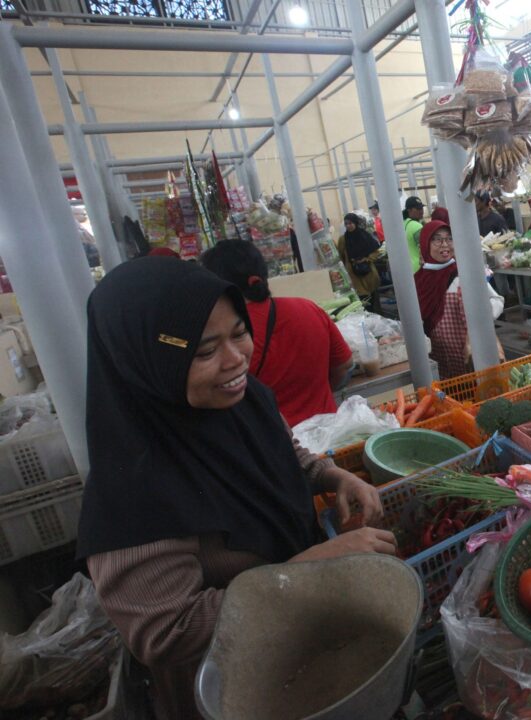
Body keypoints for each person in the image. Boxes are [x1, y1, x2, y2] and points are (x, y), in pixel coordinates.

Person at [77, 258, 396, 720]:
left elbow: (288, 457)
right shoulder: (132, 489)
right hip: (242, 689)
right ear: (147, 360)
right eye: (205, 351)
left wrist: (332, 475)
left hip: (309, 642)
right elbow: (167, 632)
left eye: (239, 333)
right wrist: (303, 572)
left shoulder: (246, 401)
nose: (236, 359)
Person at [201, 240, 354, 427]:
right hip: (330, 429)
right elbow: (344, 364)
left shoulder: (224, 334)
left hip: (275, 442)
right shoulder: (308, 308)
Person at [414, 220, 504, 378]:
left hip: (470, 356)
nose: (445, 245)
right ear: (425, 243)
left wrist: (480, 315)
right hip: (436, 358)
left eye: (449, 238)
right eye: (437, 239)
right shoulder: (418, 280)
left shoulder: (464, 274)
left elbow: (497, 300)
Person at [336, 213, 383, 314]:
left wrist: (366, 259)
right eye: (346, 224)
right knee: (362, 300)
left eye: (351, 223)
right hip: (354, 274)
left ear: (356, 223)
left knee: (372, 298)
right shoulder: (343, 239)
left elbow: (376, 251)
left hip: (368, 273)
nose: (348, 226)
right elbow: (340, 256)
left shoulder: (364, 235)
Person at [402, 196, 426, 273]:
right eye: (418, 209)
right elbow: (425, 249)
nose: (421, 211)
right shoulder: (416, 226)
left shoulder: (404, 223)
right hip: (419, 267)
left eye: (421, 208)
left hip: (408, 268)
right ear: (409, 210)